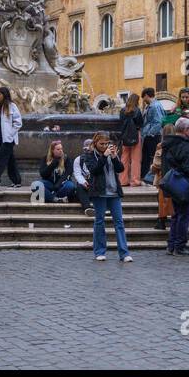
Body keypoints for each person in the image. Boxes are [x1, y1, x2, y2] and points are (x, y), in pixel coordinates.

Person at [79, 132, 132, 262]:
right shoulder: (89, 155)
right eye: (101, 144)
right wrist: (104, 156)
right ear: (95, 143)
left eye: (106, 143)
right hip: (99, 192)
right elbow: (94, 170)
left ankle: (124, 253)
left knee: (119, 222)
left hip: (114, 192)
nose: (104, 146)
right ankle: (99, 251)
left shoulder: (111, 153)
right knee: (99, 221)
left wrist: (114, 157)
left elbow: (120, 169)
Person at [160, 119, 189, 256]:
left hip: (173, 183)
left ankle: (171, 245)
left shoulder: (168, 143)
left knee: (176, 215)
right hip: (184, 183)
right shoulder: (183, 145)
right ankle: (180, 246)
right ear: (184, 130)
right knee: (184, 215)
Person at [0, 86, 24, 188]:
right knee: (10, 161)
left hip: (8, 139)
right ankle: (17, 181)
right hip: (1, 138)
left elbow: (18, 122)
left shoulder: (12, 106)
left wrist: (10, 134)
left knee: (1, 159)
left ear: (4, 95)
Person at [38, 139, 88, 208]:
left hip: (62, 185)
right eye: (58, 149)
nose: (61, 151)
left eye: (61, 149)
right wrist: (52, 164)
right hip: (49, 183)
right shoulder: (45, 158)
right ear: (52, 150)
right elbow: (43, 174)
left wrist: (58, 184)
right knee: (36, 185)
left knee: (71, 186)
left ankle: (50, 197)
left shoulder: (66, 159)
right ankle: (55, 199)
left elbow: (68, 173)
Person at [116, 93, 144, 188]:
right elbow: (140, 123)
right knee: (136, 159)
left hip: (124, 136)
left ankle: (123, 180)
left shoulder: (122, 110)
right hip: (135, 135)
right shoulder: (137, 110)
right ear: (136, 101)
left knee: (124, 158)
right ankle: (135, 181)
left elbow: (120, 123)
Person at [139, 86, 164, 185]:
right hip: (153, 135)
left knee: (150, 157)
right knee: (149, 156)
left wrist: (150, 133)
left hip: (152, 136)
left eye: (143, 97)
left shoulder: (154, 106)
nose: (143, 100)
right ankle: (146, 177)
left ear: (146, 96)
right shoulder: (156, 104)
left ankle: (148, 178)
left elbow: (158, 122)